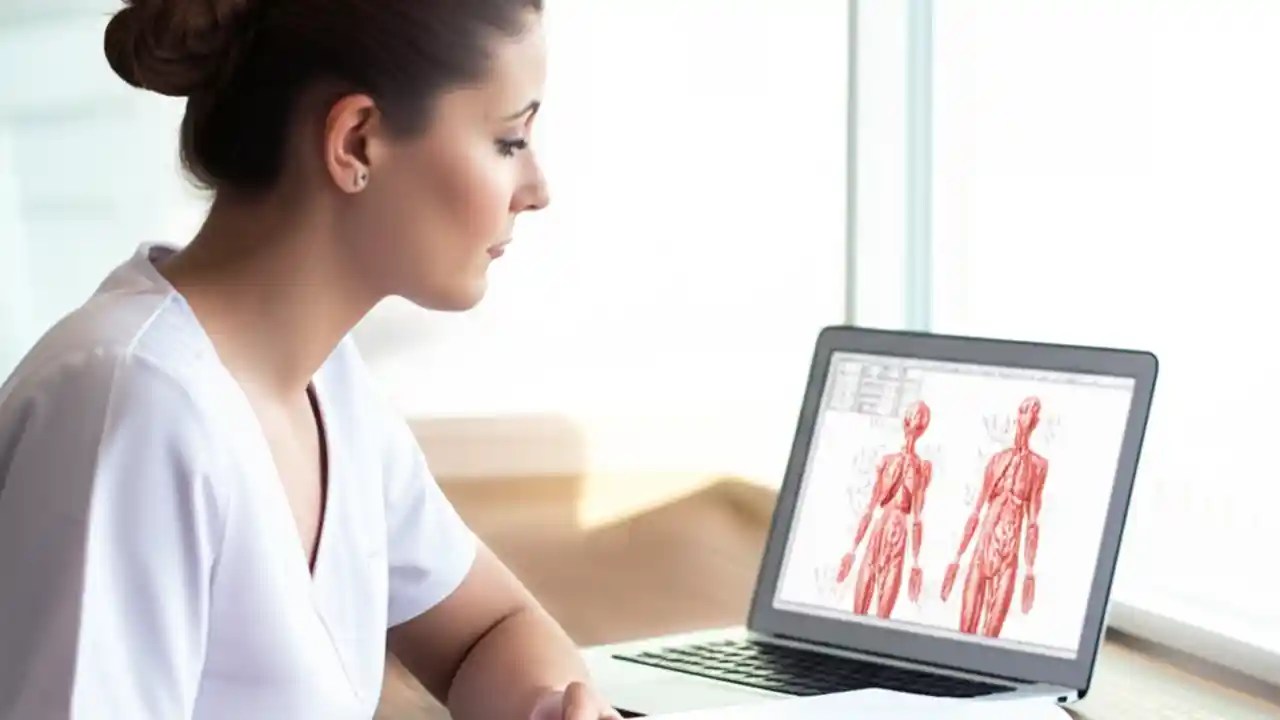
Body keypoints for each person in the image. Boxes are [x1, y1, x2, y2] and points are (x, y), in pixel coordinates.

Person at [0, 1, 621, 718]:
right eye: (509, 141)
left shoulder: (329, 387)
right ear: (356, 142)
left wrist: (547, 707)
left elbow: (487, 630)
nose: (536, 190)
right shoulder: (132, 411)